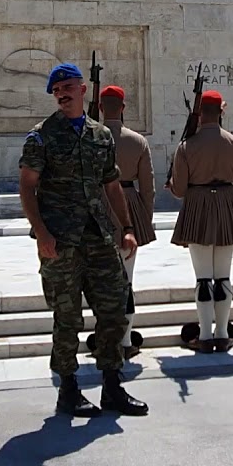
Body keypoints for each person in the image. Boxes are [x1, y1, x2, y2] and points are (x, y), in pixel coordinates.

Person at [19, 62, 148, 418]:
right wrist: (42, 233)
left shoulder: (100, 135)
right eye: (56, 91)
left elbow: (112, 184)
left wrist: (125, 227)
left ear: (82, 90)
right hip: (60, 240)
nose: (62, 94)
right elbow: (28, 186)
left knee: (114, 309)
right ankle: (69, 389)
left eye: (67, 88)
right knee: (67, 316)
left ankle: (112, 386)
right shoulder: (42, 136)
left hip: (98, 236)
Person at [167, 89, 233, 353]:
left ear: (199, 114)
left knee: (203, 278)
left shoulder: (186, 146)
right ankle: (222, 333)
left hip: (198, 206)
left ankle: (205, 335)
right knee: (223, 276)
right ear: (221, 112)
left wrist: (171, 185)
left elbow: (180, 190)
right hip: (228, 206)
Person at [98, 84, 156, 359]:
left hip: (97, 210)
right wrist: (145, 218)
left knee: (101, 283)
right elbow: (148, 186)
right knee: (127, 281)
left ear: (100, 108)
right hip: (129, 207)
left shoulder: (89, 138)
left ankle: (104, 340)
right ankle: (124, 342)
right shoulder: (137, 141)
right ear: (123, 108)